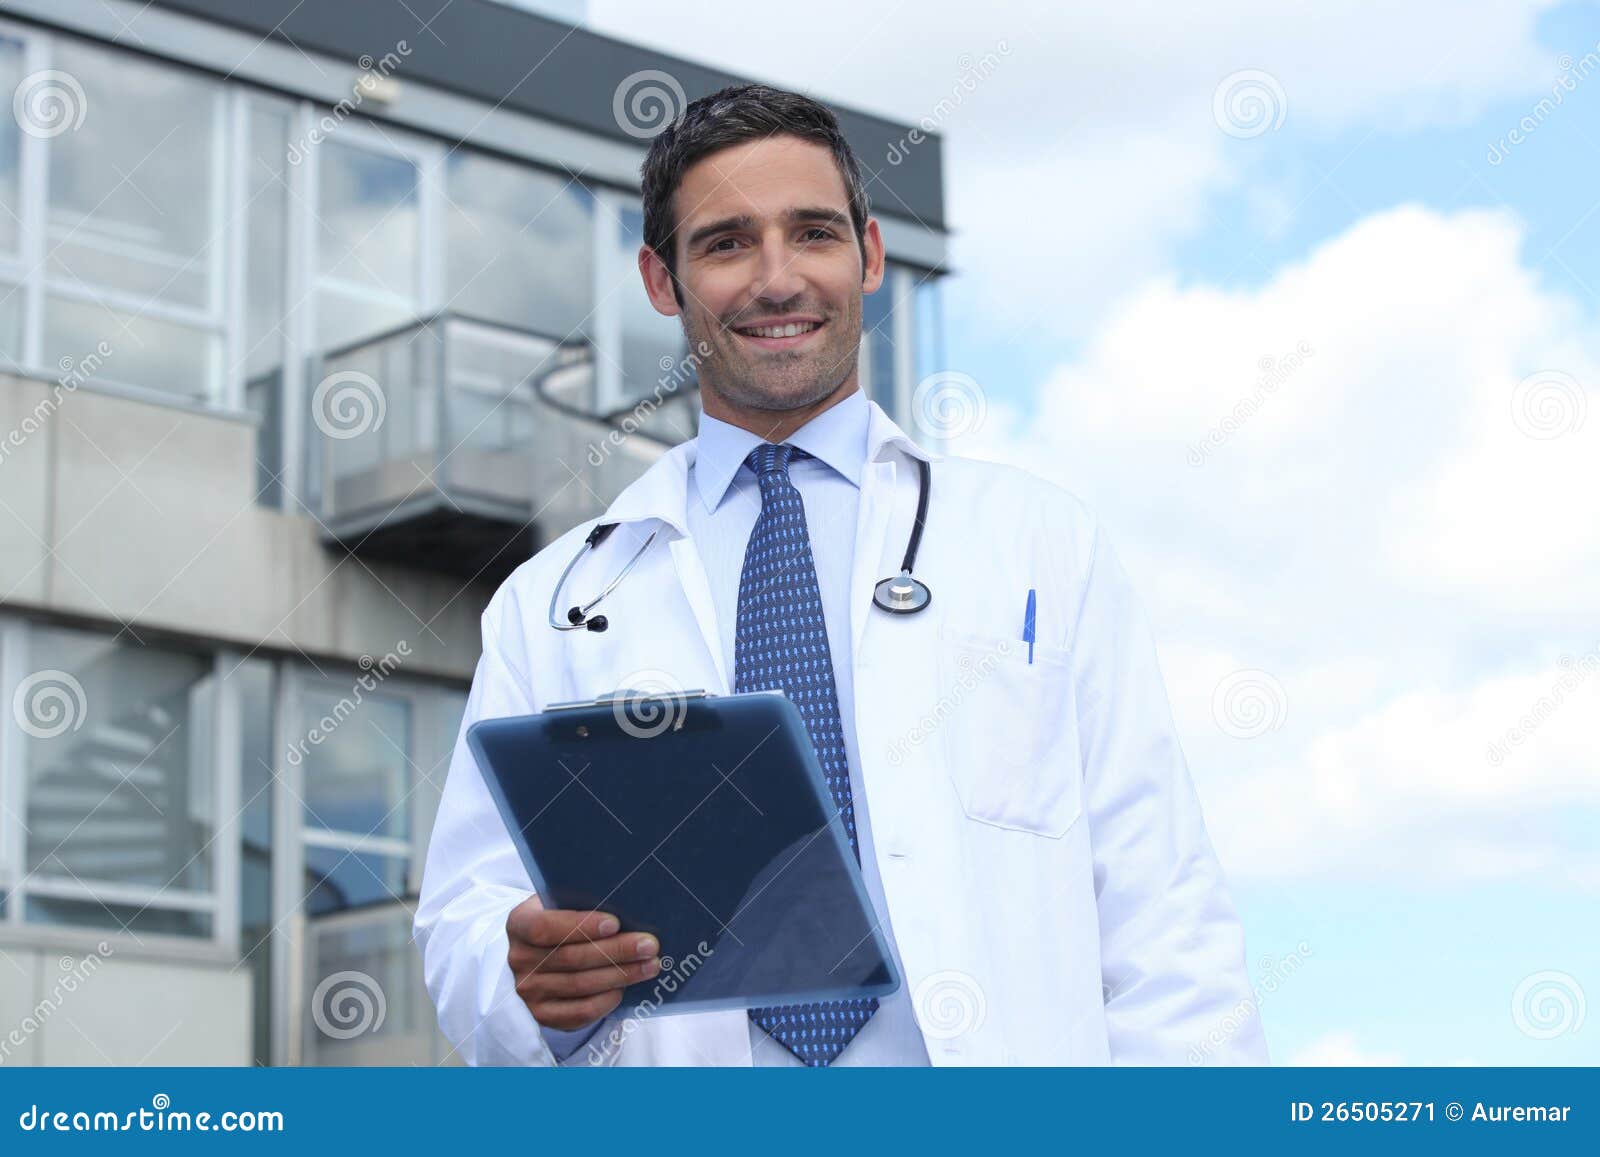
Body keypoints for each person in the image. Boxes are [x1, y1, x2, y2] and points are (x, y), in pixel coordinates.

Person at [414, 83, 1267, 1067]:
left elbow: (1164, 915)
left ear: (867, 256)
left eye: (811, 233)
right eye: (726, 243)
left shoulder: (1039, 543)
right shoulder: (556, 602)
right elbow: (465, 925)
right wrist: (528, 979)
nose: (777, 280)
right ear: (662, 279)